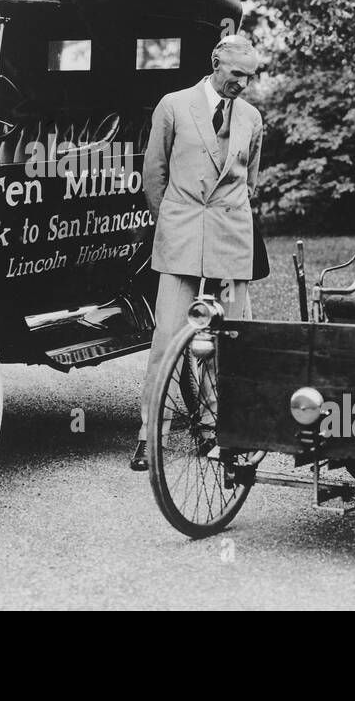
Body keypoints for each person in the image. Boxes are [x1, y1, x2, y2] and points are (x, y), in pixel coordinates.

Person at [131, 34, 263, 471]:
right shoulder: (173, 106)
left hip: (231, 235)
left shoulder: (251, 118)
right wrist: (172, 222)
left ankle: (219, 428)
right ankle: (151, 435)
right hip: (182, 233)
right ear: (215, 64)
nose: (242, 84)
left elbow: (250, 183)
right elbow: (154, 175)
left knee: (230, 340)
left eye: (250, 77)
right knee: (168, 337)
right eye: (235, 74)